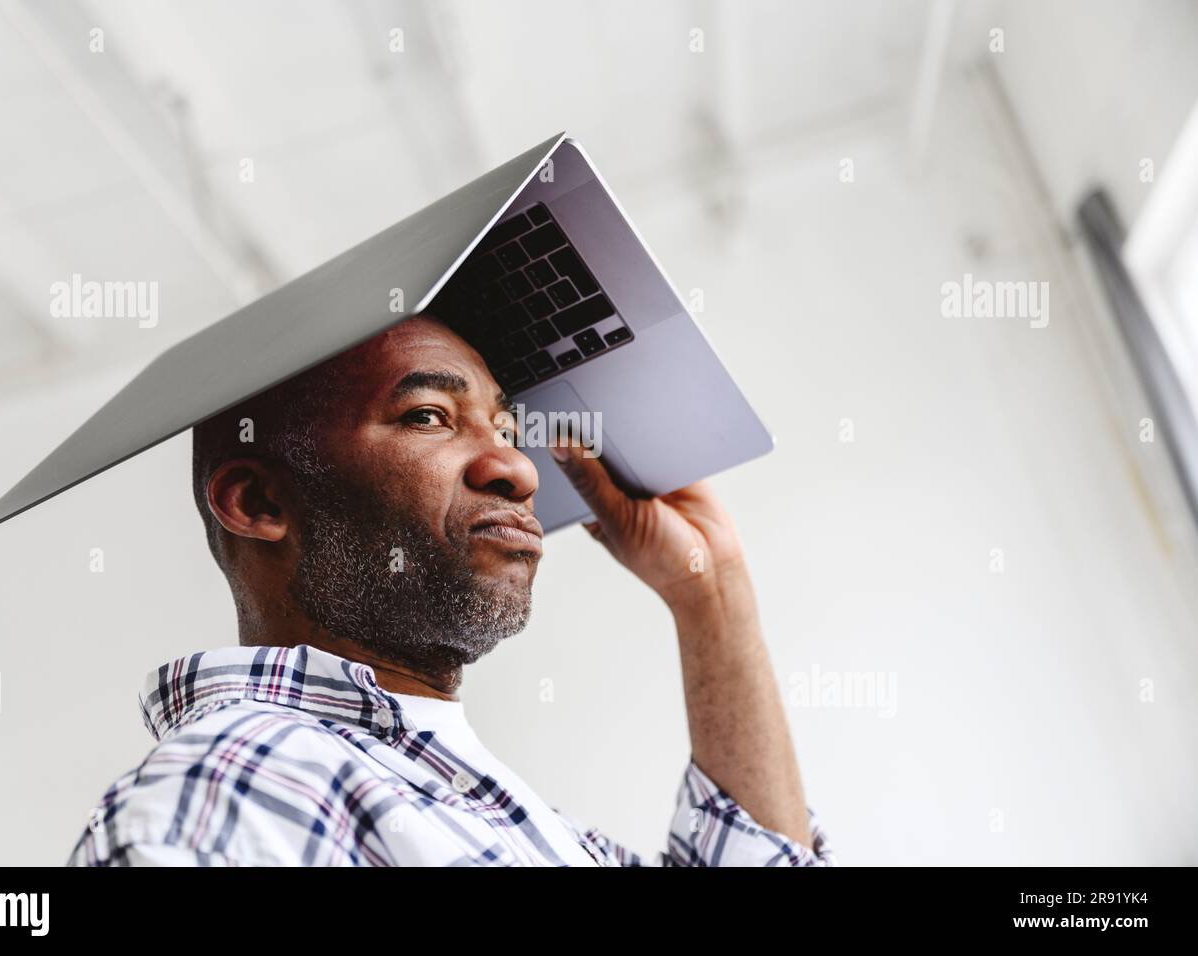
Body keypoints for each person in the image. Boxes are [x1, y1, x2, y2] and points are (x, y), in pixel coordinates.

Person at [66, 314, 835, 866]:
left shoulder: (501, 817)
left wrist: (710, 590)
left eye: (504, 429)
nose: (519, 468)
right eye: (429, 416)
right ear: (260, 503)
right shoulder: (244, 782)